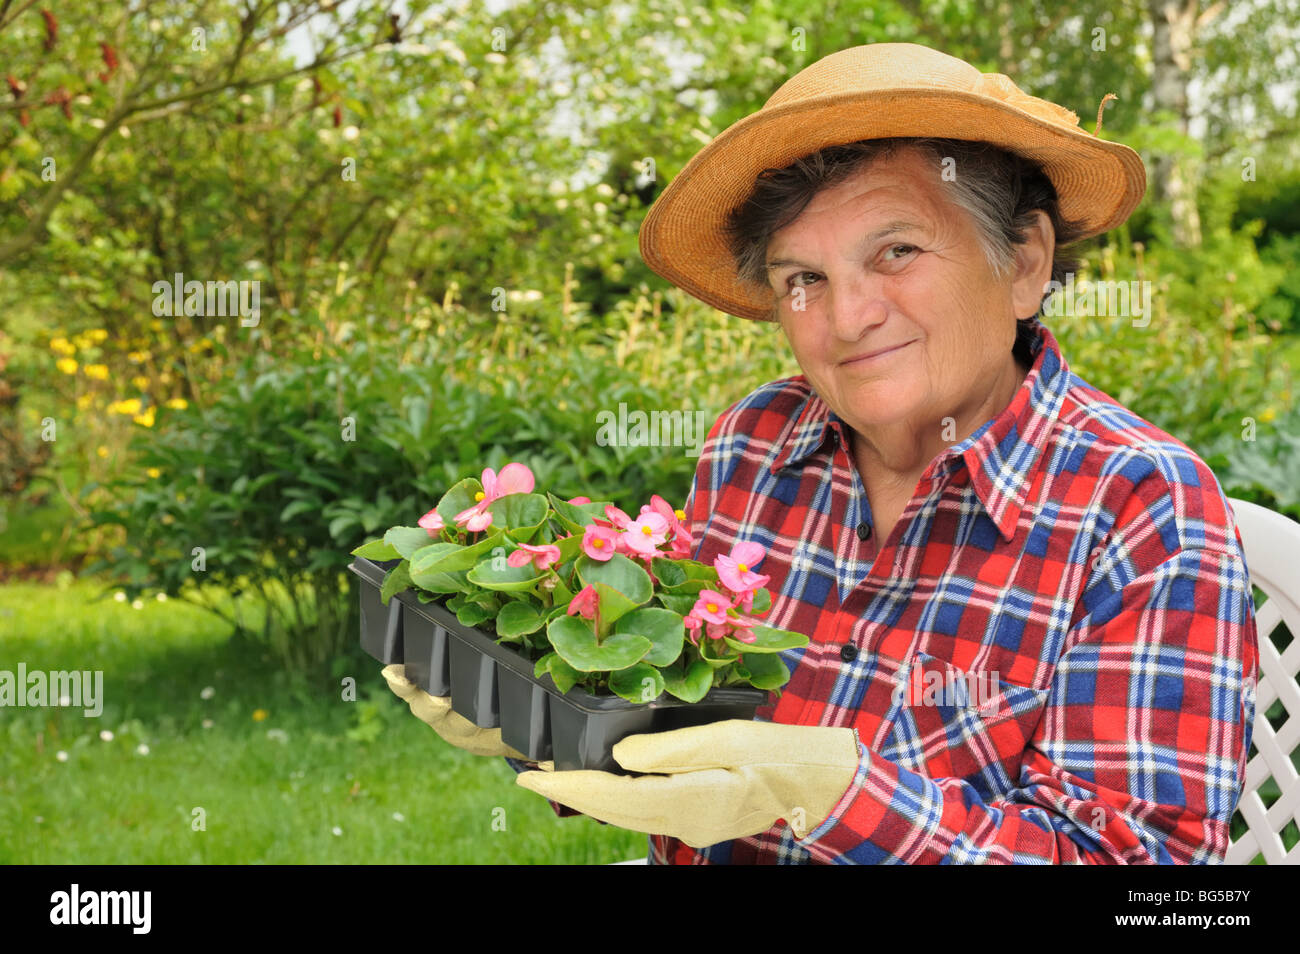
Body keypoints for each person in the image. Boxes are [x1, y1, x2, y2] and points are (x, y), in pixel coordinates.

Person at [386, 42, 1259, 864]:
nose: (847, 319)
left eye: (897, 252)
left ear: (1025, 261)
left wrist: (834, 795)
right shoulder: (753, 444)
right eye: (803, 278)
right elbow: (673, 735)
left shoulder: (1143, 508)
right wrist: (534, 719)